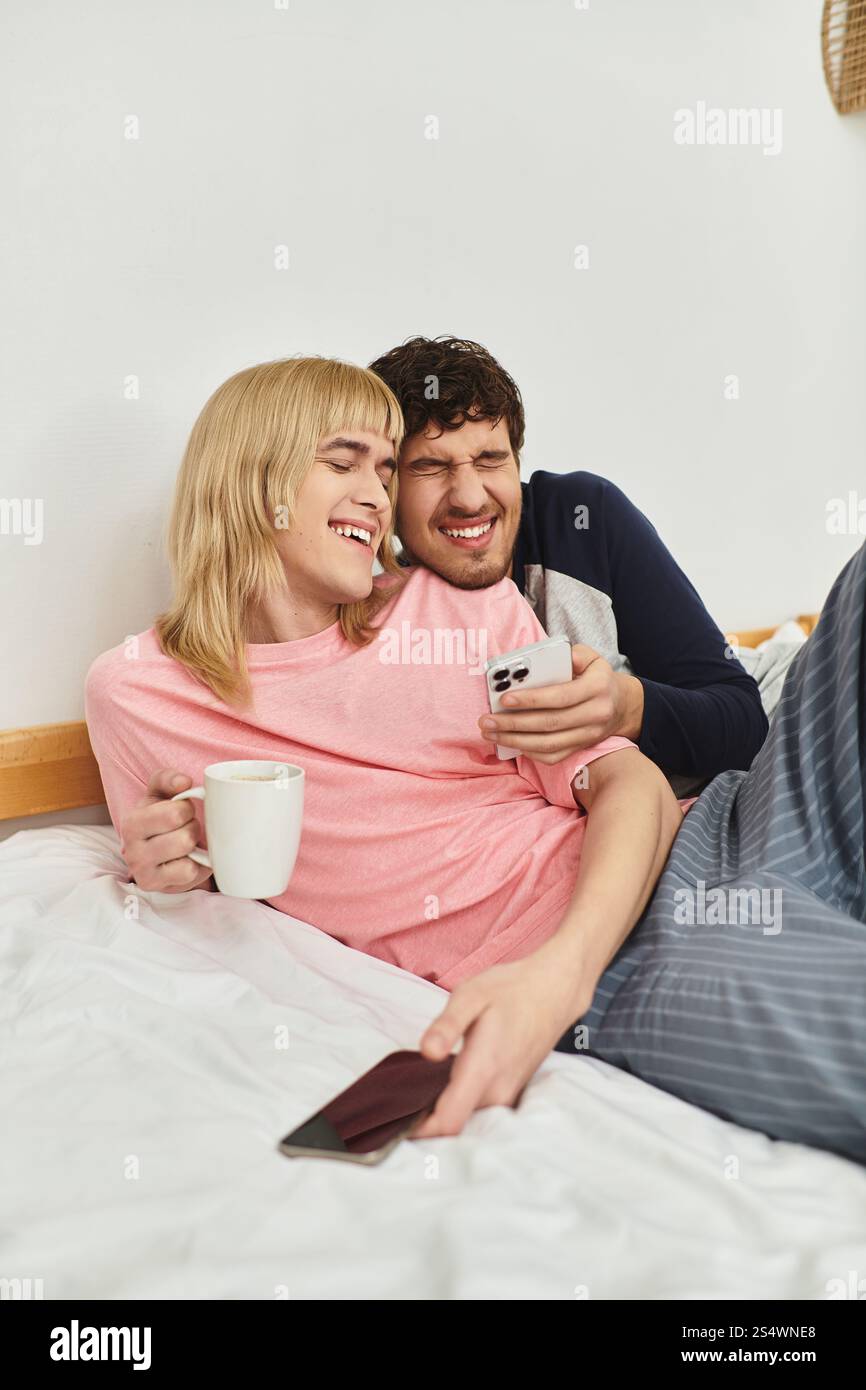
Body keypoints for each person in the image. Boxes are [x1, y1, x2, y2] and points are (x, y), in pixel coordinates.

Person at [89, 356, 866, 1164]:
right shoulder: (136, 693)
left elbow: (624, 779)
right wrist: (159, 864)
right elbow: (171, 850)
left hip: (733, 826)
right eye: (345, 461)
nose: (375, 494)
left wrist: (558, 978)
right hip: (656, 950)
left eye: (385, 468)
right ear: (253, 480)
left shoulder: (458, 605)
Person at [368, 336, 768, 795]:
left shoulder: (584, 519)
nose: (470, 497)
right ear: (388, 488)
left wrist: (626, 708)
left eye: (490, 460)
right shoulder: (382, 607)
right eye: (431, 467)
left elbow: (744, 723)